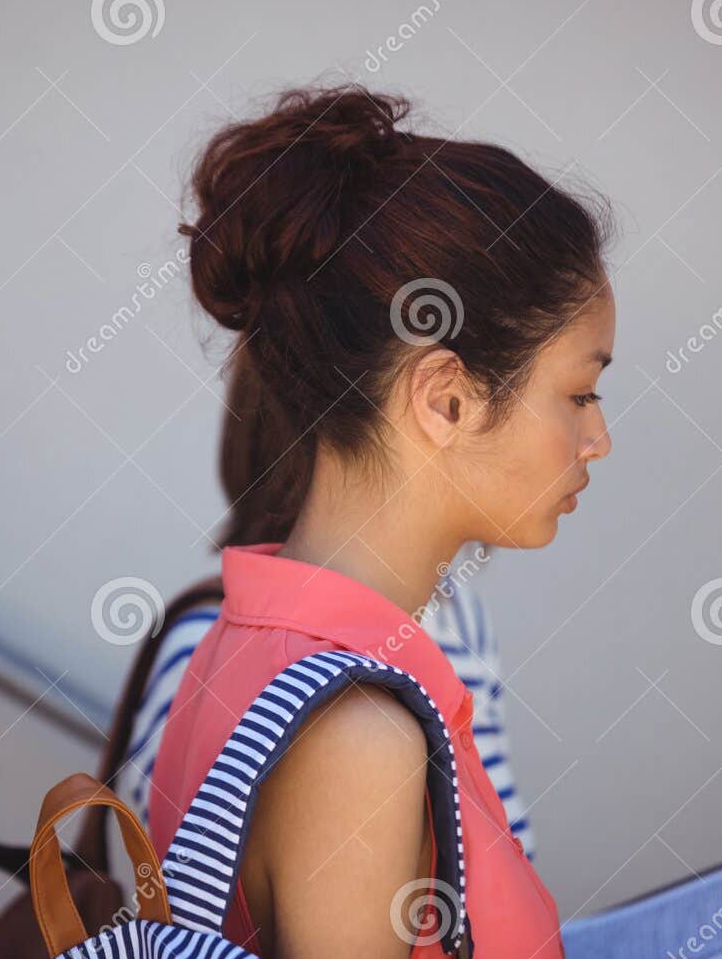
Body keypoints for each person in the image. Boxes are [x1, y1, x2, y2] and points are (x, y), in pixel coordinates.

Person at [145, 85, 614, 959]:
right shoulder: (358, 737)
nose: (598, 438)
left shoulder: (248, 636)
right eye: (580, 392)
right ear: (446, 399)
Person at [115, 349, 539, 867]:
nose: (595, 442)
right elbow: (186, 898)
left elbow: (503, 857)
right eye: (579, 395)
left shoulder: (458, 619)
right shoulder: (209, 645)